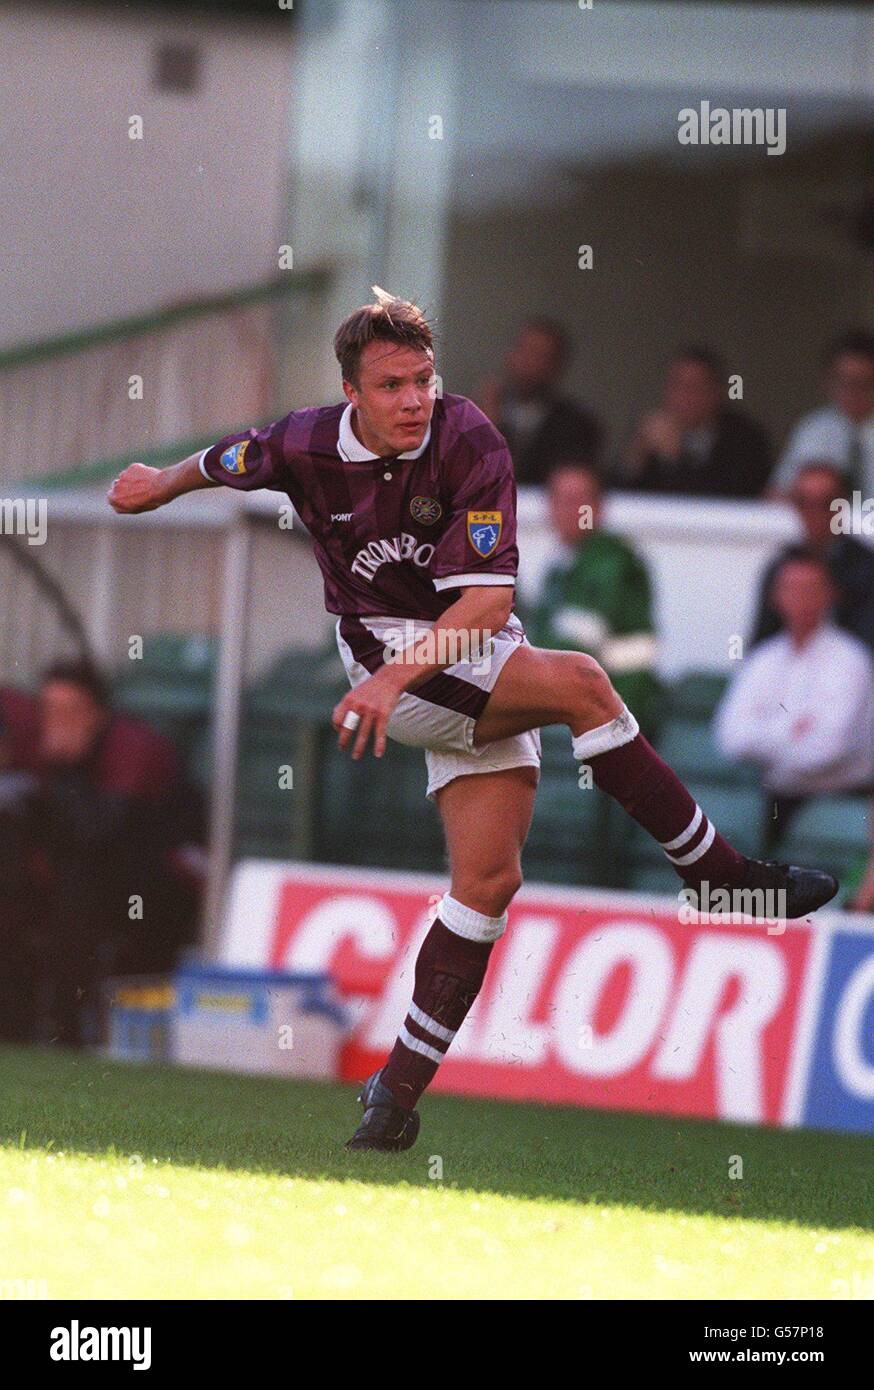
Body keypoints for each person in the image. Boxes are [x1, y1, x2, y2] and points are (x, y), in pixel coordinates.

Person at [109, 287, 837, 1153]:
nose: (414, 400)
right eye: (391, 386)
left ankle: (394, 1098)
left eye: (423, 379)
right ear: (353, 393)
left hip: (461, 651)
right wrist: (159, 484)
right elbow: (229, 456)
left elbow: (488, 608)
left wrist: (396, 686)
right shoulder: (303, 442)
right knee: (584, 684)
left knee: (488, 884)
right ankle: (721, 875)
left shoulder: (469, 438)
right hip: (387, 654)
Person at [0, 661, 203, 1047]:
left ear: (97, 714)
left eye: (70, 710)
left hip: (159, 883)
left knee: (77, 894)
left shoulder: (132, 749)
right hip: (88, 877)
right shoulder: (42, 750)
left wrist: (56, 775)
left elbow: (99, 833)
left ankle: (68, 1030)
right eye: (50, 710)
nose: (57, 721)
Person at [716, 549, 874, 851]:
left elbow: (828, 749)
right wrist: (792, 730)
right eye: (791, 588)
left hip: (839, 803)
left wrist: (765, 737)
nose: (801, 598)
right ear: (775, 596)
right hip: (771, 799)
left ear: (830, 594)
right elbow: (729, 737)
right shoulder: (763, 658)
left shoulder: (851, 660)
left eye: (811, 589)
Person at [524, 463, 661, 735]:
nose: (567, 510)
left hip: (616, 712)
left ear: (599, 507)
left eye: (578, 501)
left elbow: (569, 650)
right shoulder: (563, 565)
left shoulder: (612, 560)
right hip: (582, 710)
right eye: (559, 500)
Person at [750, 461, 874, 654]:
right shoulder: (780, 567)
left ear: (841, 505)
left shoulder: (867, 567)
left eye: (825, 503)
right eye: (803, 502)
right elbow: (759, 645)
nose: (813, 512)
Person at [622, 346, 773, 497]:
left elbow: (728, 498)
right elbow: (619, 495)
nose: (685, 396)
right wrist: (636, 458)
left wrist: (674, 459)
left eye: (695, 387)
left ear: (717, 392)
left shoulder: (745, 439)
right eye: (677, 385)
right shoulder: (651, 430)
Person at [476, 319, 602, 485]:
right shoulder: (481, 409)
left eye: (538, 355)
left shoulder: (577, 425)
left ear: (556, 367)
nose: (526, 362)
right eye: (522, 350)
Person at [771, 331, 874, 500]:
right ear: (828, 382)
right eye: (844, 382)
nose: (853, 392)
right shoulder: (813, 429)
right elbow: (778, 493)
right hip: (825, 525)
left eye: (864, 383)